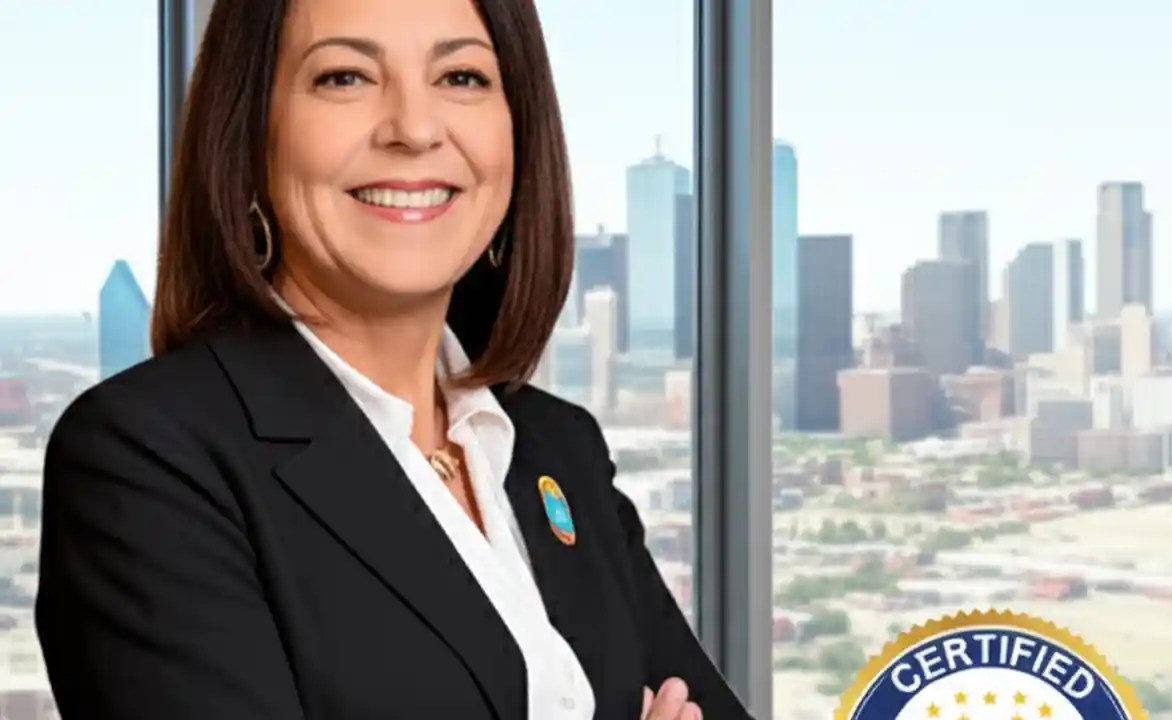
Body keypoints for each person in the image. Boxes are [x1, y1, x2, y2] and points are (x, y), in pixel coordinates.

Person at [34, 1, 753, 718]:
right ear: (250, 134)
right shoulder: (148, 459)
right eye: (345, 77)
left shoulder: (557, 449)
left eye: (463, 77)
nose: (413, 128)